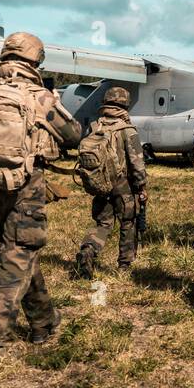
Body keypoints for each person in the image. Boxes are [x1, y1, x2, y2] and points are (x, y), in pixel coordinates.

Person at [0, 32, 81, 362]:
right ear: (36, 60)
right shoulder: (37, 96)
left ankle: (44, 321)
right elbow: (73, 135)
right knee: (16, 258)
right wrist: (53, 100)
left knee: (21, 248)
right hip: (26, 187)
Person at [75, 86, 148, 276]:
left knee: (103, 223)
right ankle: (124, 264)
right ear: (125, 104)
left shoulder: (94, 126)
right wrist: (141, 186)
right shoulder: (128, 130)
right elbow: (137, 163)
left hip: (100, 183)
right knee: (127, 222)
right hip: (122, 185)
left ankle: (88, 250)